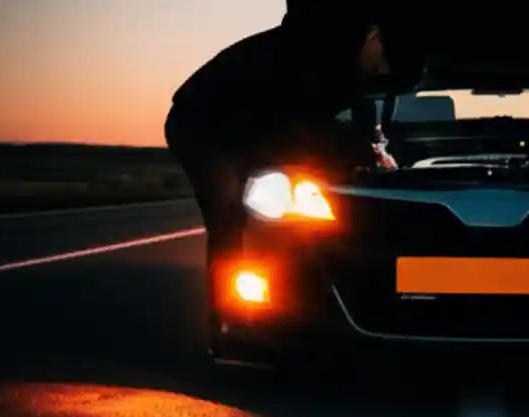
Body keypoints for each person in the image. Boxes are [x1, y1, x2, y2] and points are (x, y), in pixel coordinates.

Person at [164, 13, 400, 266]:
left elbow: (348, 117)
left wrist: (370, 146)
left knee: (297, 180)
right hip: (200, 122)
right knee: (227, 212)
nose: (383, 69)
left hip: (249, 122)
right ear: (373, 36)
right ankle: (227, 299)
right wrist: (362, 154)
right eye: (384, 59)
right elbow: (308, 124)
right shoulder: (319, 53)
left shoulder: (343, 63)